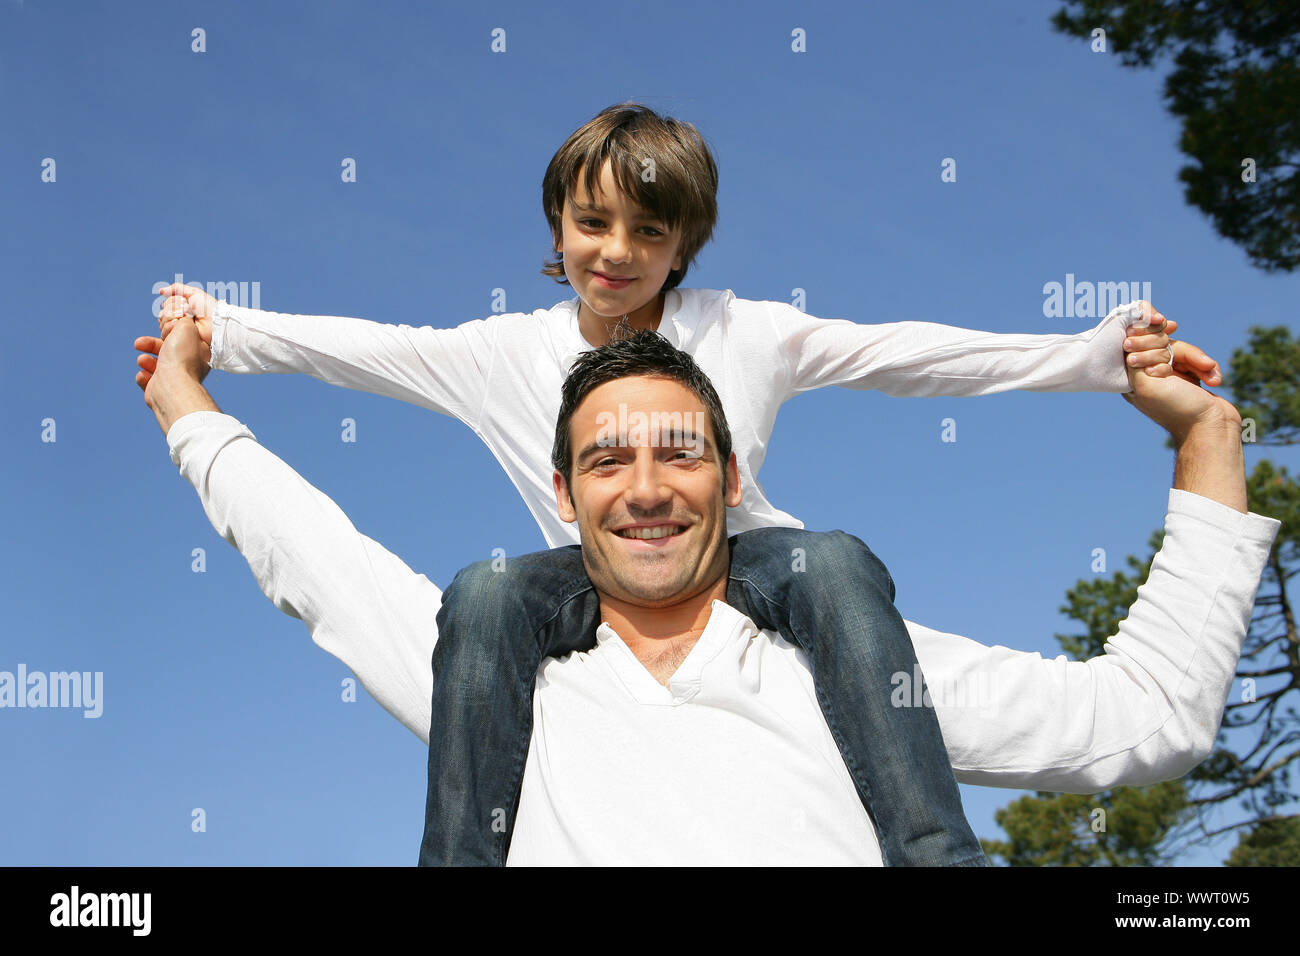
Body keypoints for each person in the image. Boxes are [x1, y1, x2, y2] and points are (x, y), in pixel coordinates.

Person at [137, 102, 1223, 865]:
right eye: (593, 225)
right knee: (480, 597)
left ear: (684, 245)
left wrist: (1089, 358)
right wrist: (223, 331)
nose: (616, 254)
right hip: (582, 588)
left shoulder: (746, 332)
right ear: (557, 227)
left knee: (835, 563)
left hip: (775, 580)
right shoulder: (499, 355)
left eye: (648, 234)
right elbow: (361, 353)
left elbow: (909, 353)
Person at [137, 316, 1278, 866]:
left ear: (731, 478)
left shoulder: (853, 665)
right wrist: (186, 400)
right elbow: (307, 551)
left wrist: (1209, 439)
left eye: (677, 453)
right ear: (565, 491)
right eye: (605, 460)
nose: (644, 490)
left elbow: (1151, 716)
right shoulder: (495, 679)